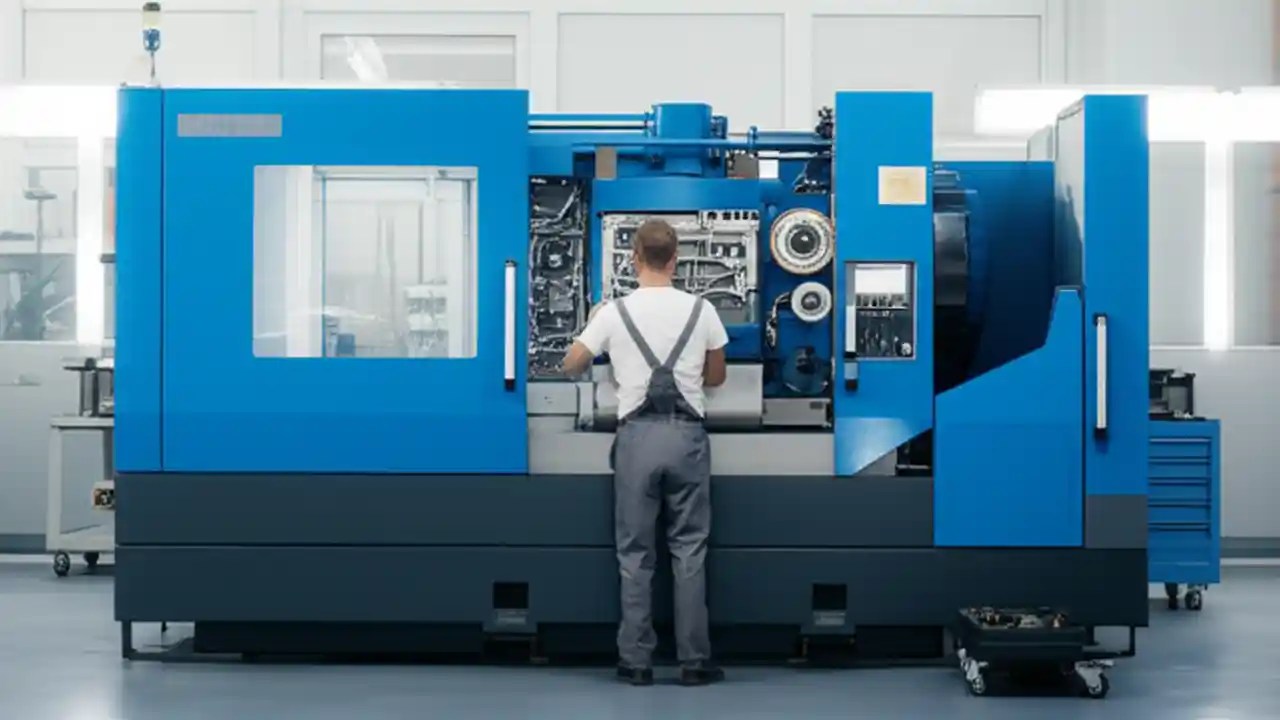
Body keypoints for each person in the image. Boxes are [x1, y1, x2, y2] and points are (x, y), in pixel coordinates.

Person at [561, 218, 729, 687]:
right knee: (689, 550)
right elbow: (716, 379)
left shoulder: (614, 312)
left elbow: (571, 365)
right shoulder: (703, 310)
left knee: (635, 553)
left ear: (633, 258)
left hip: (636, 438)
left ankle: (636, 662)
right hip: (687, 439)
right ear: (675, 258)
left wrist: (595, 330)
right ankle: (695, 662)